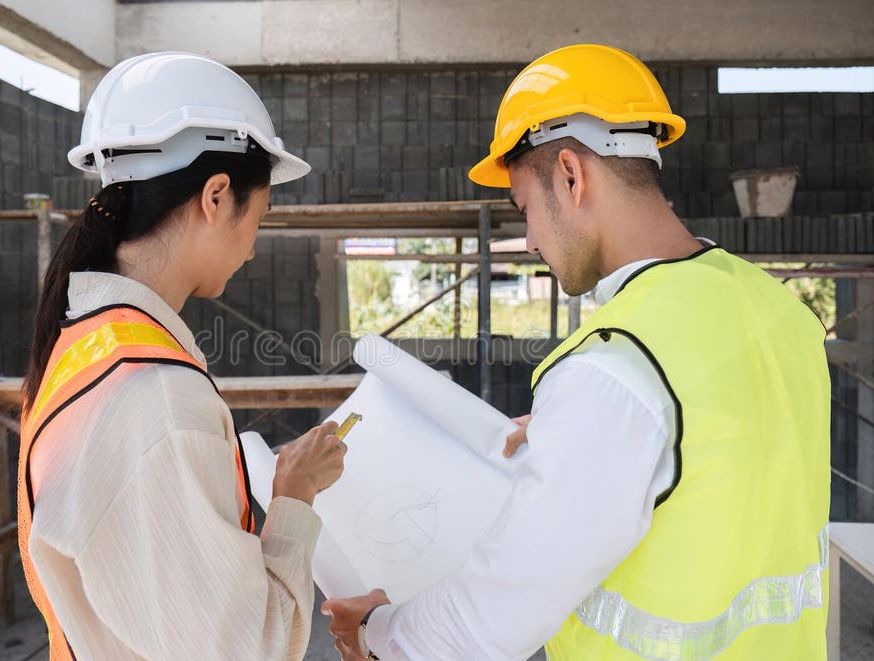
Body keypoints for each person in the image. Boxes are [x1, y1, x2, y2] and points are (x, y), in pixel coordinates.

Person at [322, 43, 830, 661]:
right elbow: (718, 453)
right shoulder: (782, 314)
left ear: (571, 174)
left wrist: (377, 628)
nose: (531, 240)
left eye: (525, 209)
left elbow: (487, 623)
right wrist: (587, 434)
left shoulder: (614, 369)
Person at [18, 52, 346, 660]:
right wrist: (295, 496)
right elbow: (255, 646)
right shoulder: (156, 396)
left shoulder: (91, 343)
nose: (252, 250)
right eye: (261, 216)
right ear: (217, 196)